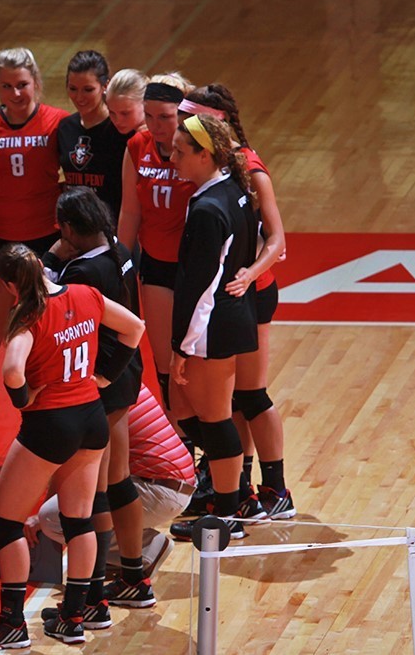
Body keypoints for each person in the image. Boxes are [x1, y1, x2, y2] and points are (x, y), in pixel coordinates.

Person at [0, 244, 144, 649]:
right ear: (43, 267)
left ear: (11, 285)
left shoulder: (26, 316)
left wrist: (23, 398)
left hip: (51, 425)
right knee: (80, 520)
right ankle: (75, 616)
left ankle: (11, 623)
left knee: (5, 523)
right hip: (92, 419)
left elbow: (11, 370)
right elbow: (134, 328)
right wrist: (106, 377)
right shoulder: (84, 293)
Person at [178, 84, 295, 520]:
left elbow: (277, 238)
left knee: (251, 394)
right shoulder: (211, 168)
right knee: (228, 403)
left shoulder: (249, 167)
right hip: (228, 297)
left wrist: (251, 272)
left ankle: (276, 488)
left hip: (252, 295)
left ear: (218, 123)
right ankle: (239, 488)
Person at [38, 186, 156, 612]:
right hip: (126, 376)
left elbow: (51, 304)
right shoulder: (121, 250)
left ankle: (91, 594)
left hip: (99, 384)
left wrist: (51, 260)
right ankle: (133, 576)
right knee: (119, 481)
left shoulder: (82, 276)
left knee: (95, 491)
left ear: (69, 228)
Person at [0, 47, 69, 470]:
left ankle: (49, 434)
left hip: (46, 250)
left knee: (47, 345)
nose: (16, 92)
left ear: (36, 82)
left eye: (23, 84)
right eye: (7, 85)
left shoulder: (58, 123)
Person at [166, 115, 259, 540]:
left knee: (216, 420)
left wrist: (181, 348)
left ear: (205, 155)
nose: (173, 159)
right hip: (230, 317)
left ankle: (227, 516)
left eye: (181, 152)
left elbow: (200, 286)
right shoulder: (231, 190)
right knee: (200, 414)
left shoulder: (206, 208)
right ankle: (234, 500)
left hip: (210, 326)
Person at [31, 384, 194, 581]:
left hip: (157, 489)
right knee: (95, 492)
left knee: (51, 517)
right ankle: (126, 556)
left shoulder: (84, 392)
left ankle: (146, 548)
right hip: (173, 483)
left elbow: (71, 461)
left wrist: (38, 518)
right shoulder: (109, 379)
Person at [117, 73, 196, 444]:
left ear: (182, 114)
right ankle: (180, 442)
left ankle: (210, 443)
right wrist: (117, 263)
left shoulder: (197, 148)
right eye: (149, 116)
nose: (156, 125)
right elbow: (130, 213)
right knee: (165, 364)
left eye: (165, 116)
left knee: (197, 361)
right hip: (157, 266)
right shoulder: (137, 146)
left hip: (196, 268)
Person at [58, 53, 146, 225]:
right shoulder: (65, 127)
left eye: (88, 89)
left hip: (116, 229)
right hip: (78, 230)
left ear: (105, 86)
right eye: (73, 88)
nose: (79, 97)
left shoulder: (124, 130)